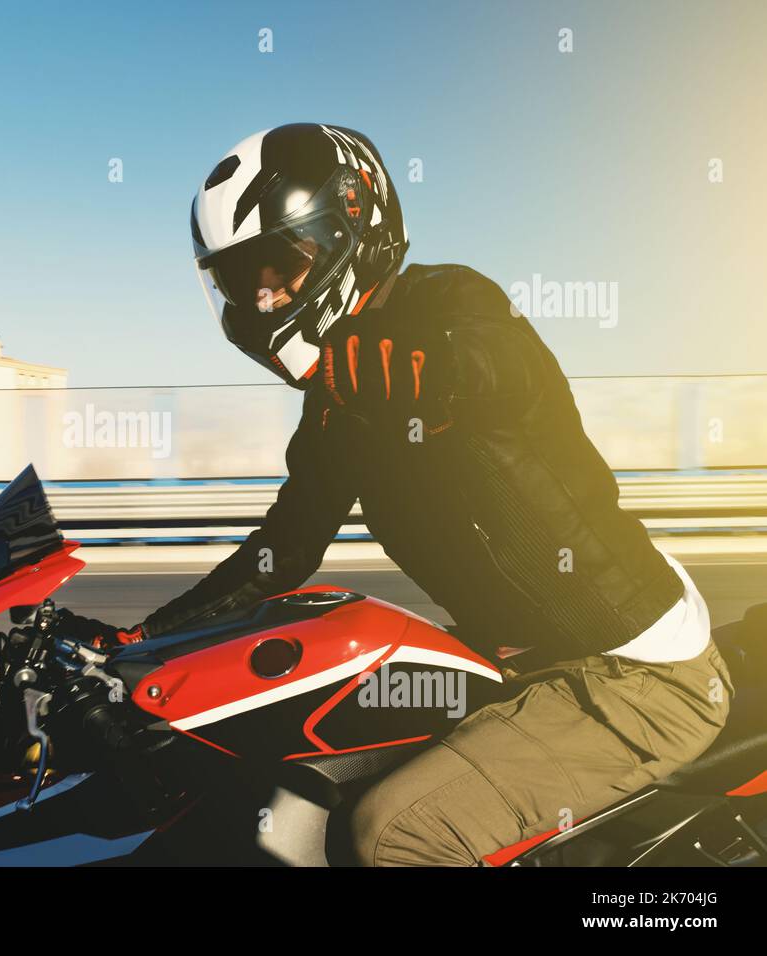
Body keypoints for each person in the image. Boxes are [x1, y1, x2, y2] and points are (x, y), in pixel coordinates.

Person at [74, 123, 732, 866]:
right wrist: (140, 642)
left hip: (633, 672)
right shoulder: (337, 406)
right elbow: (281, 553)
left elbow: (497, 363)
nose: (264, 298)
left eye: (279, 265)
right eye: (240, 279)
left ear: (353, 228)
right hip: (521, 663)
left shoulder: (453, 305)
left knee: (395, 835)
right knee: (295, 776)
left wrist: (431, 369)